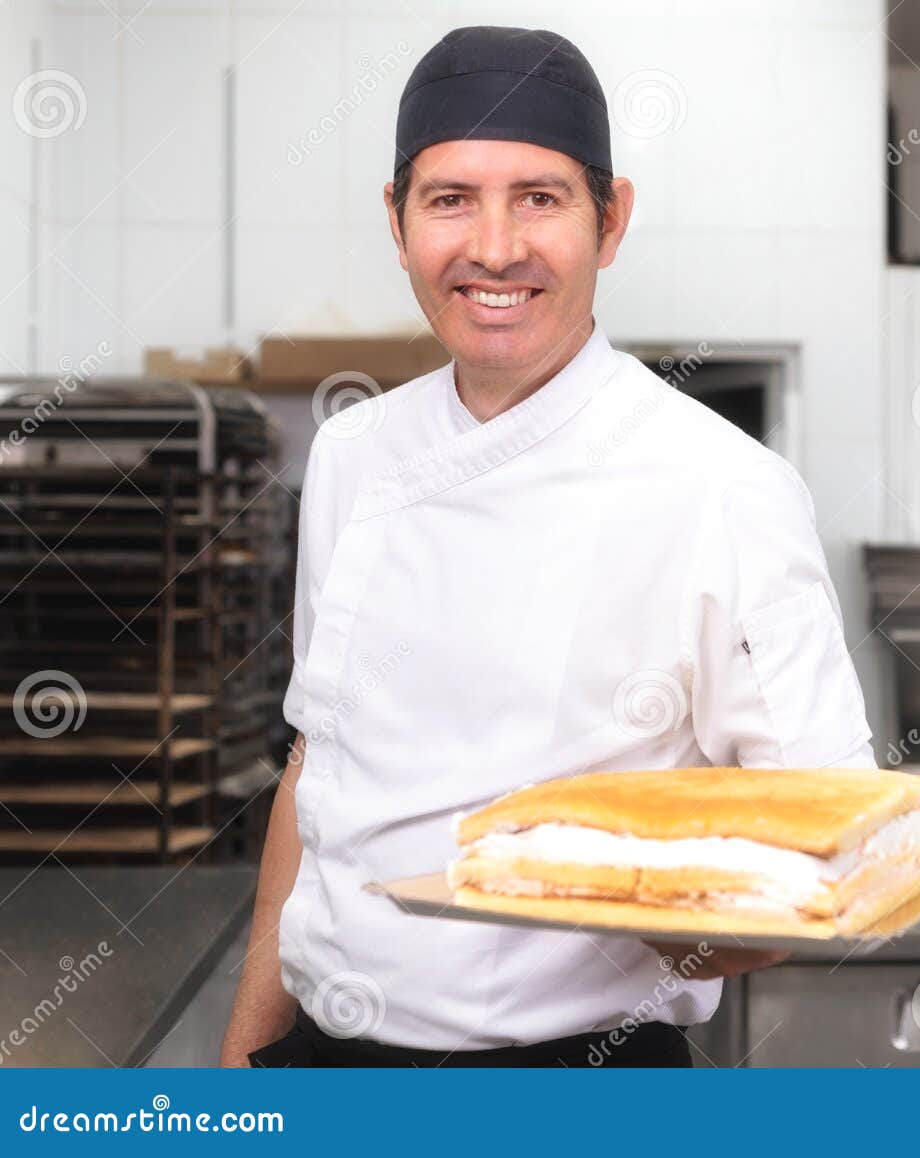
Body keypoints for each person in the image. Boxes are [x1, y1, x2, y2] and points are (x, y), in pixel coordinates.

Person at [221, 26, 873, 1068]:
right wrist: (241, 1067)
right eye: (448, 199)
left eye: (538, 197)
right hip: (324, 1066)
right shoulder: (352, 455)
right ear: (396, 223)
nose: (492, 247)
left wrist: (665, 920)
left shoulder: (722, 488)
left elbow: (831, 848)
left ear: (609, 220)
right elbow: (316, 763)